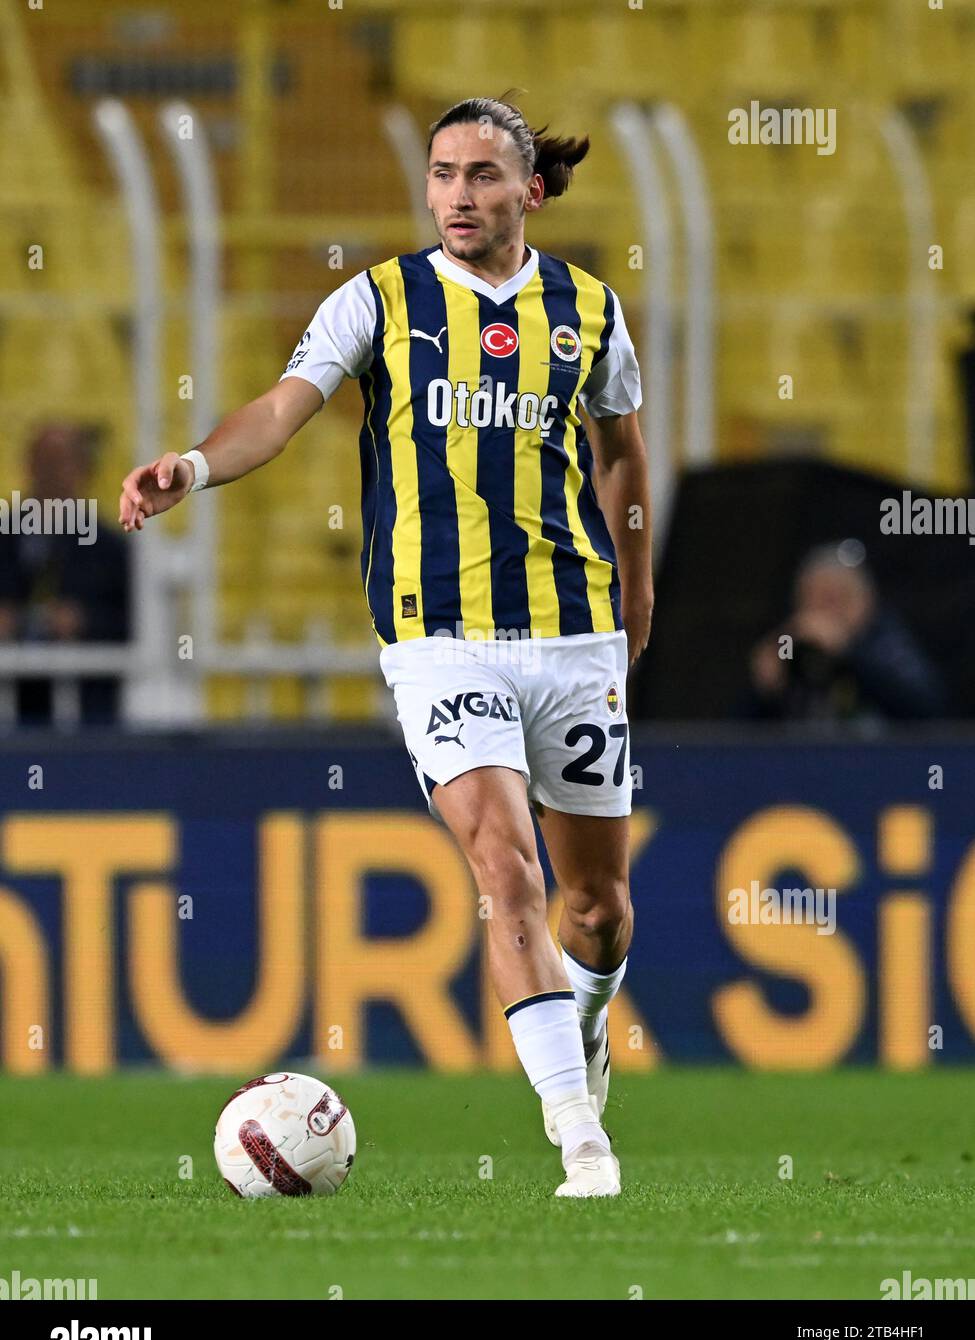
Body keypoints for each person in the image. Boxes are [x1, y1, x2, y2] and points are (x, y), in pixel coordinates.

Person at [118, 96, 652, 1198]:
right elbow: (282, 406)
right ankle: (579, 1137)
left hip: (571, 631)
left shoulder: (589, 311)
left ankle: (588, 1023)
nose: (458, 194)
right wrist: (193, 465)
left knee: (595, 908)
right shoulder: (380, 301)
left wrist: (637, 601)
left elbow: (624, 459)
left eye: (482, 176)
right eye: (442, 174)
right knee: (503, 866)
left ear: (530, 192)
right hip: (437, 635)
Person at [1, 423, 129, 724]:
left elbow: (134, 624)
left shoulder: (111, 549)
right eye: (44, 462)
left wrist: (84, 622)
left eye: (61, 462)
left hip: (86, 711)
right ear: (28, 465)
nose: (52, 474)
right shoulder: (4, 539)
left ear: (84, 470)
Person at [745, 543, 946, 723]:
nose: (827, 611)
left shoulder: (887, 641)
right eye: (816, 598)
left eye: (838, 598)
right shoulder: (789, 648)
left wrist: (848, 653)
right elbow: (736, 739)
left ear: (866, 601)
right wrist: (762, 691)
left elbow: (930, 714)